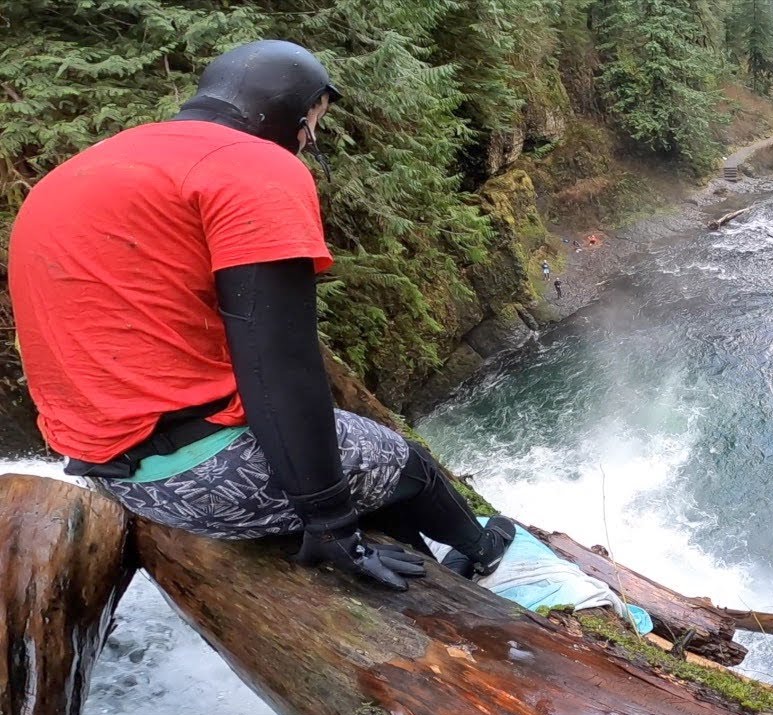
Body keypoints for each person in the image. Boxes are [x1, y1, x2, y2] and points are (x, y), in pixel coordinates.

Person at [8, 40, 516, 591]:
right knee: (403, 461)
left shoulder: (94, 164)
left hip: (112, 472)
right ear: (299, 110)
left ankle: (420, 557)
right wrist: (329, 521)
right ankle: (485, 552)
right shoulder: (250, 165)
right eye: (312, 125)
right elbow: (280, 359)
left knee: (357, 461)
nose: (309, 141)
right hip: (202, 479)